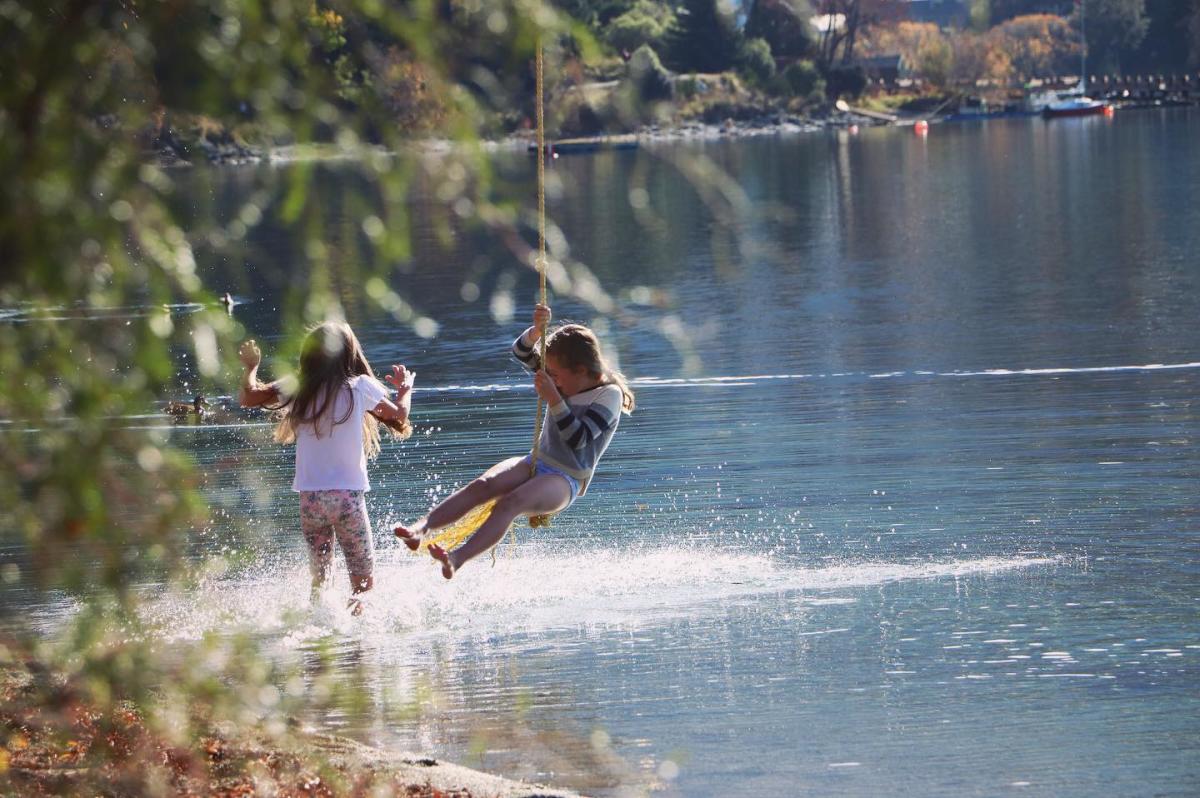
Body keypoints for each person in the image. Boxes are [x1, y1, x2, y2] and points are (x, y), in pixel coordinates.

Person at [395, 303, 634, 579]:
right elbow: (521, 351)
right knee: (483, 486)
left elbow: (578, 439)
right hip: (536, 461)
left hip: (565, 479)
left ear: (580, 370)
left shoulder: (609, 396)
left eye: (556, 374)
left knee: (509, 503)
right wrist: (535, 331)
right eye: (550, 374)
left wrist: (554, 398)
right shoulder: (563, 380)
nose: (552, 378)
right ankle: (420, 529)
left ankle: (456, 558)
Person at [237, 322, 414, 614]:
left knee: (321, 581)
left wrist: (251, 367)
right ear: (349, 355)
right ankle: (358, 644)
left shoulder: (297, 388)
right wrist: (405, 389)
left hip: (310, 502)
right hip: (346, 500)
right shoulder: (360, 387)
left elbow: (249, 397)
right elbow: (400, 414)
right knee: (363, 585)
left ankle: (320, 640)